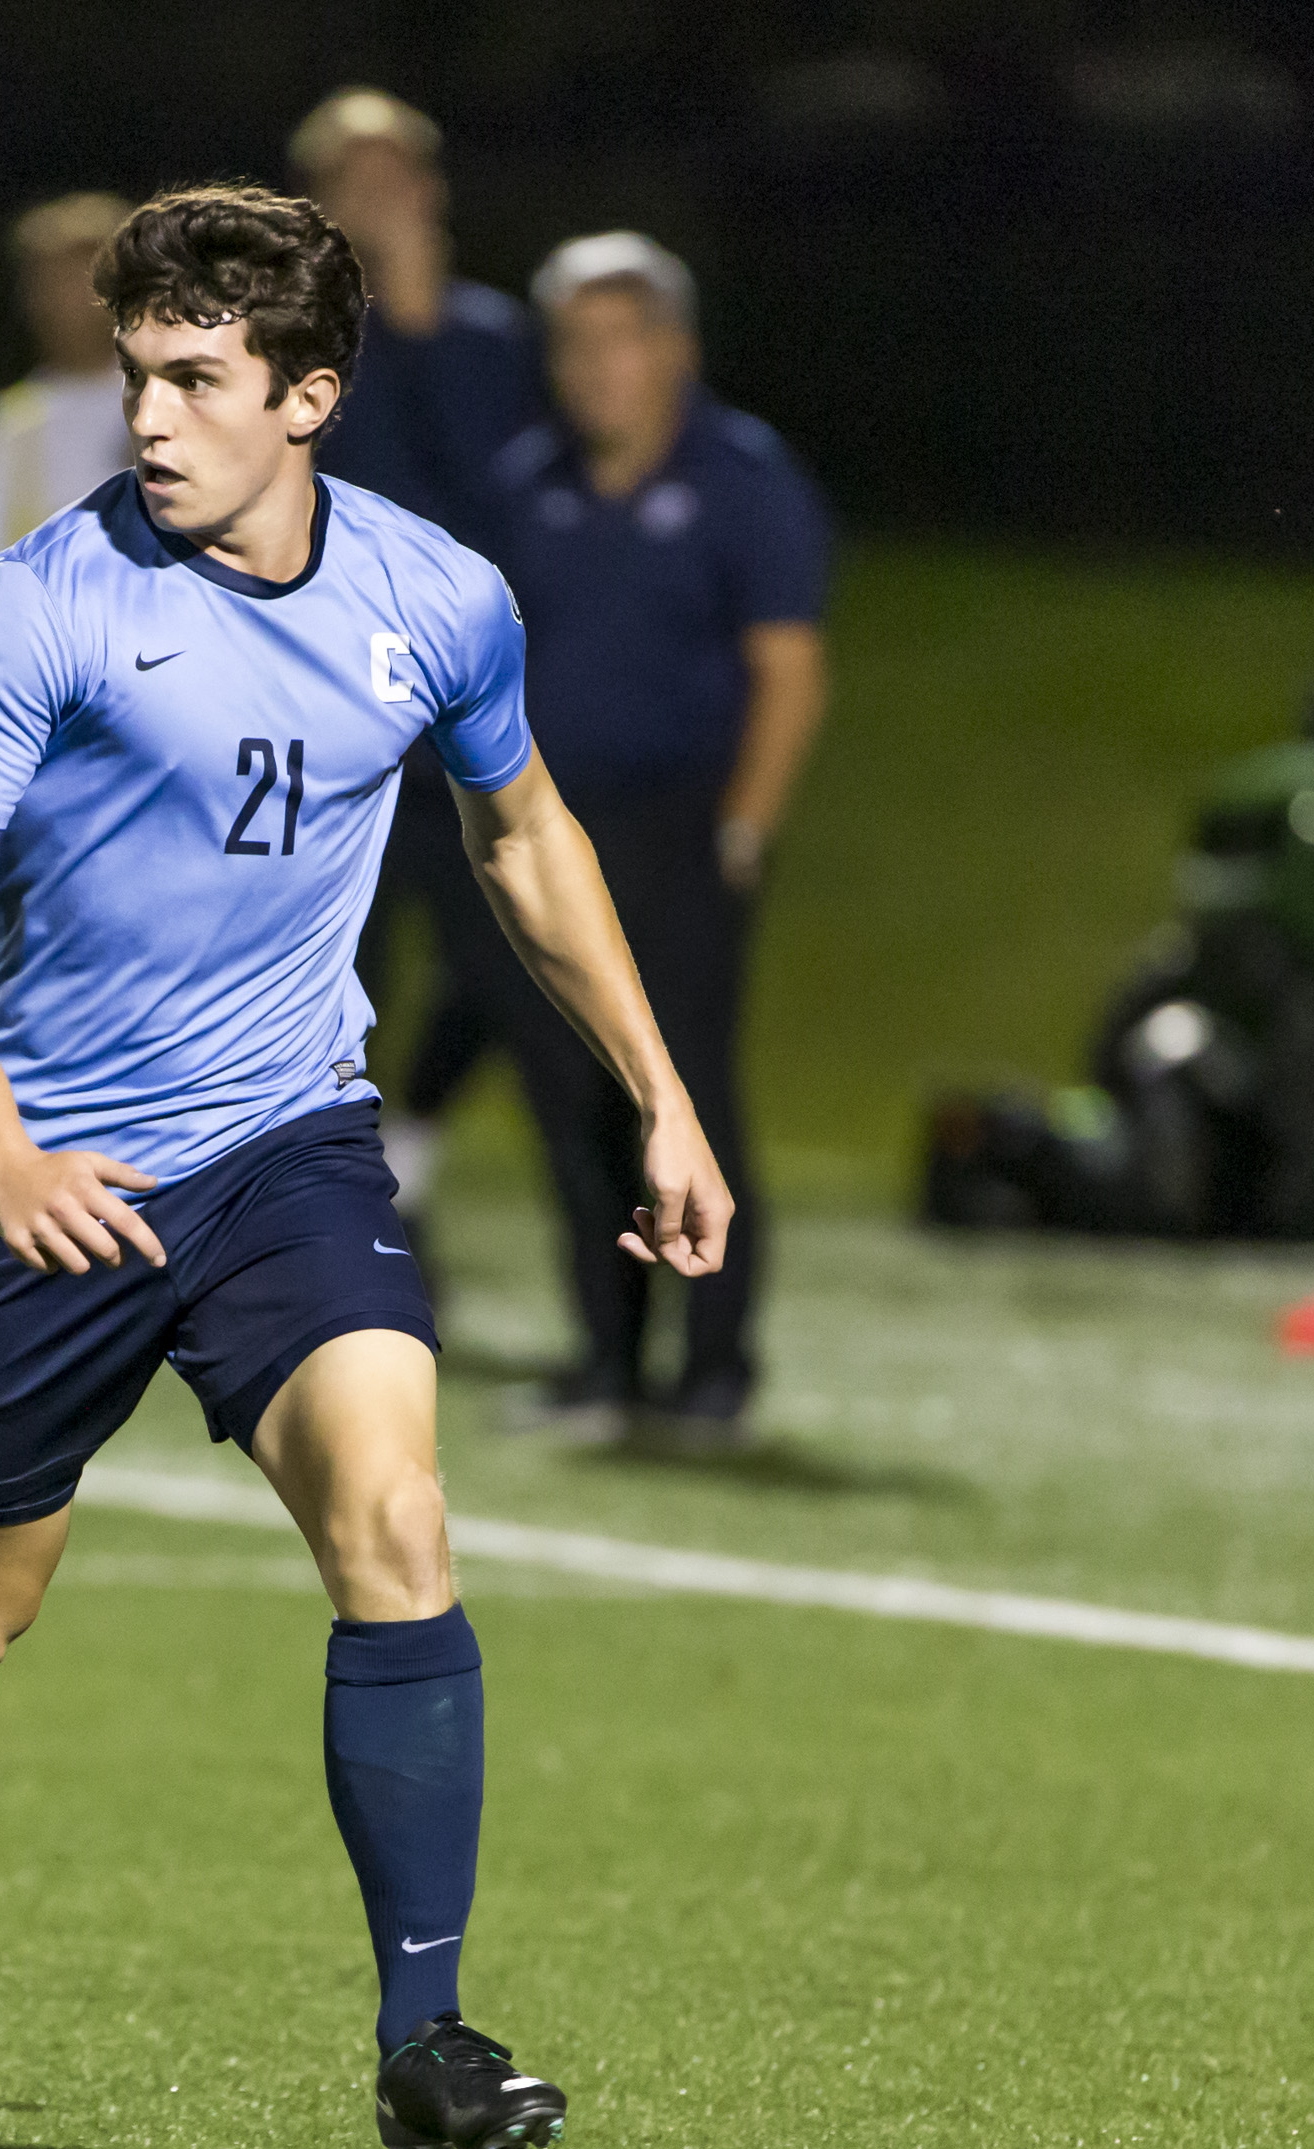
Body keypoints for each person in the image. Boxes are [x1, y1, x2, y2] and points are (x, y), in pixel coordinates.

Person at [0, 187, 733, 2149]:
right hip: (41, 1179)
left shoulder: (436, 597)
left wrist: (659, 1094)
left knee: (393, 1517)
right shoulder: (40, 605)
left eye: (193, 379)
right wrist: (2, 1152)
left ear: (306, 396)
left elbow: (521, 836)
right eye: (133, 376)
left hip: (285, 1141)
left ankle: (425, 2034)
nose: (147, 418)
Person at [485, 233, 830, 1446]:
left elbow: (787, 671)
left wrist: (742, 830)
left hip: (679, 832)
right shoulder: (527, 481)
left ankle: (715, 1369)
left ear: (674, 349)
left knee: (680, 1102)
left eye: (618, 340)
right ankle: (607, 1362)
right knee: (566, 1102)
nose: (593, 368)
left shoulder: (743, 479)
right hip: (547, 839)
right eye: (572, 344)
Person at [291, 88, 550, 1279]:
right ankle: (327, 1219)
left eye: (395, 178)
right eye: (352, 182)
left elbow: (500, 501)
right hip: (320, 713)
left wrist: (423, 319)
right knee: (324, 980)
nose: (377, 202)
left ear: (432, 195)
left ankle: (411, 1159)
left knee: (510, 962)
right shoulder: (286, 339)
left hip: (456, 712)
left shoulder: (492, 340)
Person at [0, 192, 134, 578]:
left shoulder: (175, 397)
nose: (69, 298)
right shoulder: (6, 421)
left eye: (84, 277)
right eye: (51, 280)